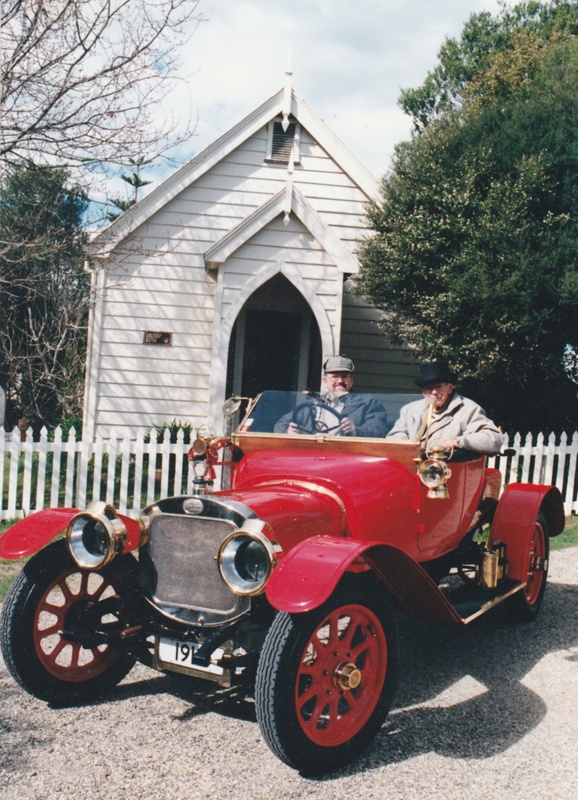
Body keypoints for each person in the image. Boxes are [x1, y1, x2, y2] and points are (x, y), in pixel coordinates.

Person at [386, 360, 504, 455]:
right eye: (429, 388)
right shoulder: (410, 410)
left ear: (450, 388)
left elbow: (493, 439)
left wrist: (457, 442)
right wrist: (408, 448)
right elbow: (393, 437)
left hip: (449, 472)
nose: (434, 392)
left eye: (439, 387)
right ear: (423, 392)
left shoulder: (468, 409)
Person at [274, 356, 388, 437]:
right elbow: (280, 425)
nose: (340, 381)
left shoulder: (368, 403)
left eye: (345, 376)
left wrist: (355, 431)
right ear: (325, 381)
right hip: (312, 454)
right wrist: (288, 431)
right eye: (335, 376)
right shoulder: (312, 404)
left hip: (347, 455)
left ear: (351, 380)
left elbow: (380, 430)